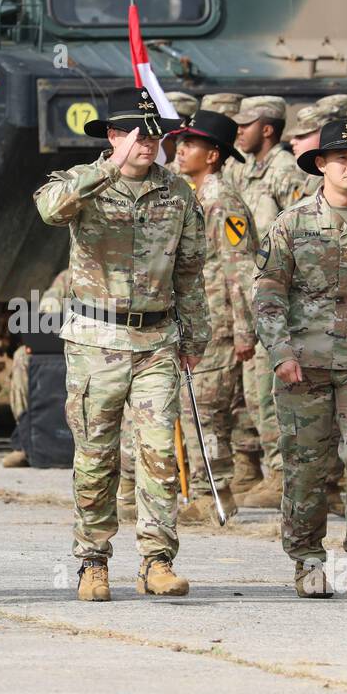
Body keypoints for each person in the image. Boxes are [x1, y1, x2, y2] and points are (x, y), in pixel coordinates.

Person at [35, 86, 208, 602]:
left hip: (156, 336)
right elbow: (48, 209)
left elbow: (191, 269)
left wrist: (196, 334)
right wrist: (107, 168)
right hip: (96, 339)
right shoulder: (84, 184)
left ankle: (157, 560)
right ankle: (93, 560)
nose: (149, 143)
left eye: (155, 133)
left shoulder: (177, 193)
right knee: (96, 455)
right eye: (137, 133)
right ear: (113, 136)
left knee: (157, 452)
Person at [254, 119, 347, 600]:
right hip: (304, 365)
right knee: (306, 467)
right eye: (341, 158)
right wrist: (279, 353)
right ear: (320, 164)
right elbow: (267, 296)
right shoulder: (291, 224)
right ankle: (307, 560)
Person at [172, 110, 256, 523]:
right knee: (190, 410)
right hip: (192, 322)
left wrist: (244, 331)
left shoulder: (223, 201)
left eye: (191, 144)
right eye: (181, 141)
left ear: (213, 156)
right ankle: (202, 491)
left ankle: (215, 494)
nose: (180, 149)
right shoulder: (190, 194)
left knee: (206, 413)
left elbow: (240, 268)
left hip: (217, 325)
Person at [231, 95, 293, 499]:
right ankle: (272, 469)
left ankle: (283, 474)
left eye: (246, 124)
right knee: (255, 393)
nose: (239, 131)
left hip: (279, 300)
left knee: (276, 393)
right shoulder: (249, 172)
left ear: (267, 129)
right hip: (252, 295)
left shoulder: (284, 172)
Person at [3, 268, 70, 468]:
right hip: (70, 342)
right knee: (22, 356)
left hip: (107, 347)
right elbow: (49, 305)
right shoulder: (71, 275)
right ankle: (27, 441)